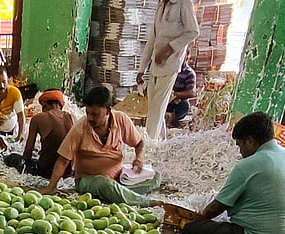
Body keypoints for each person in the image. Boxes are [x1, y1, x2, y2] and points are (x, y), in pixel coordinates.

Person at [177, 112, 285, 234]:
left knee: (192, 230)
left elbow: (216, 208)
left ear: (250, 141)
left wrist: (199, 220)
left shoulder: (249, 164)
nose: (240, 152)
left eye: (240, 145)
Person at [41, 86, 157, 206]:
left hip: (118, 178)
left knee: (155, 177)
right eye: (88, 113)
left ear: (107, 110)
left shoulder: (121, 119)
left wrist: (138, 158)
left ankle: (118, 192)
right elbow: (63, 160)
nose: (90, 118)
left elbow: (139, 143)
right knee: (104, 184)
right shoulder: (80, 127)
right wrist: (51, 187)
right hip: (88, 180)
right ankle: (145, 202)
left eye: (95, 114)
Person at [138, 0, 200, 142]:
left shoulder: (184, 3)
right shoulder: (161, 5)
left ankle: (148, 143)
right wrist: (142, 68)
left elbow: (193, 31)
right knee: (154, 107)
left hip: (171, 64)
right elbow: (152, 38)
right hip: (155, 64)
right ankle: (160, 141)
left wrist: (170, 48)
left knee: (158, 107)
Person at [21, 90, 76, 178]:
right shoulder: (71, 117)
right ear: (60, 105)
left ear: (45, 105)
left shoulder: (38, 118)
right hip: (68, 173)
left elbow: (28, 152)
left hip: (47, 172)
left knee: (12, 158)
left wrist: (22, 163)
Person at [165, 63, 198, 129]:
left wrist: (174, 94)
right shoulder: (167, 69)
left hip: (179, 103)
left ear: (187, 56)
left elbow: (191, 92)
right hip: (165, 101)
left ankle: (172, 120)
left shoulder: (189, 73)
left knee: (183, 106)